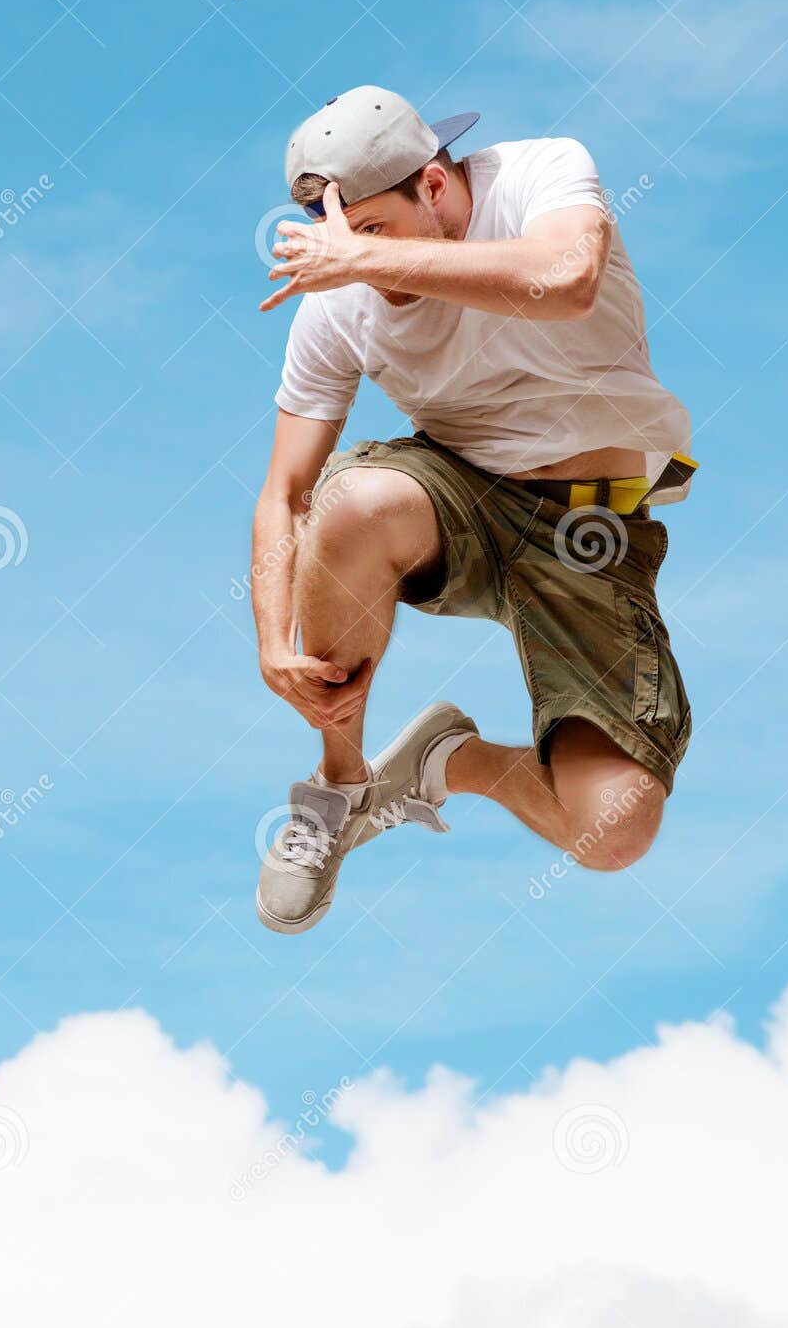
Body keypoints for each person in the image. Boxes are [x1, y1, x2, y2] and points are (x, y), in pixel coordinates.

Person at [250, 85, 696, 933]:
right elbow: (287, 493)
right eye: (339, 238)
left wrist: (365, 262)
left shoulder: (542, 175)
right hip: (461, 504)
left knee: (614, 831)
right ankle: (340, 786)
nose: (355, 259)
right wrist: (273, 640)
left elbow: (566, 278)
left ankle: (451, 760)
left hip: (589, 533)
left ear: (436, 184)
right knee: (351, 503)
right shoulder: (339, 297)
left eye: (371, 231)